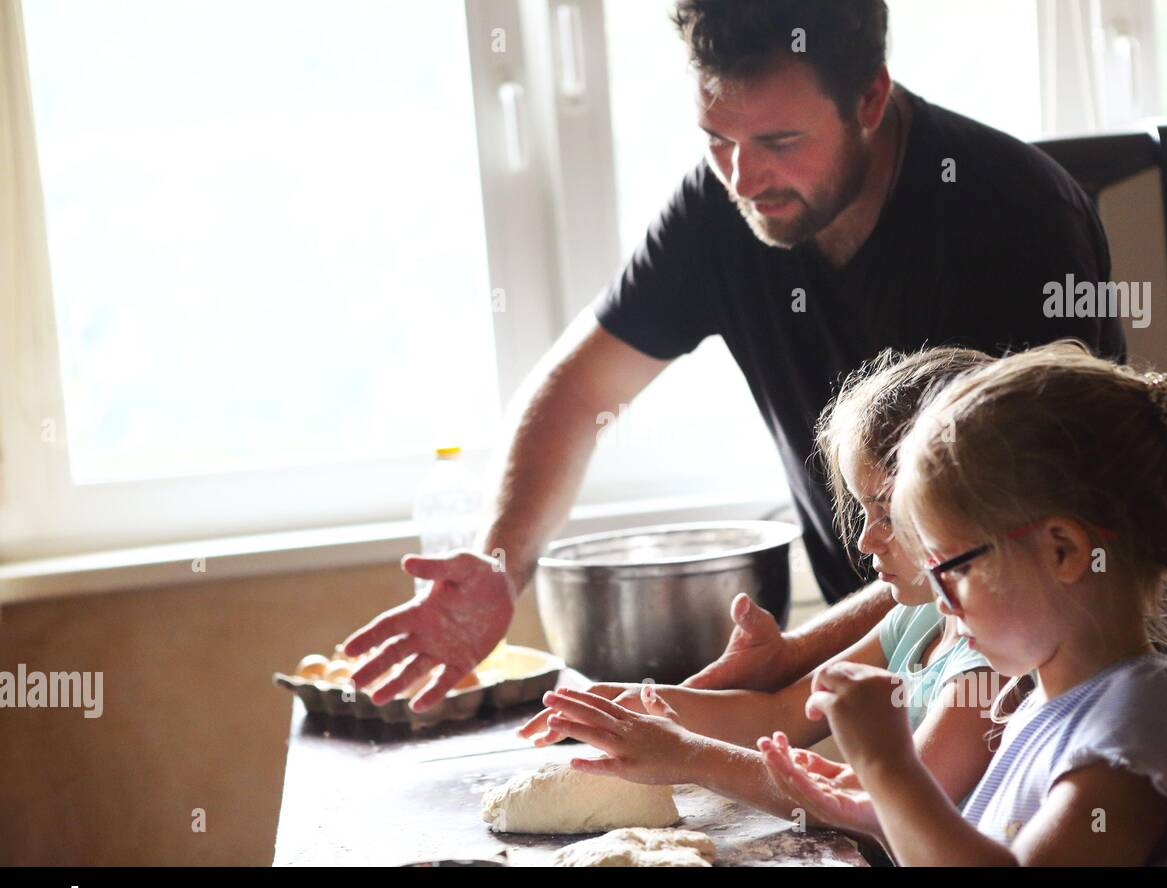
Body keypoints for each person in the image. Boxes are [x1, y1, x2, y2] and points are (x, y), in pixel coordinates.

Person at [342, 0, 1124, 711]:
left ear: (871, 100)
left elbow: (1012, 536)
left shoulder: (1013, 217)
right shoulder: (720, 213)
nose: (745, 178)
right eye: (718, 140)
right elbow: (579, 393)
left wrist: (789, 665)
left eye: (781, 141)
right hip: (912, 656)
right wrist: (497, 565)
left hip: (1061, 666)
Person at [763, 341, 1167, 865]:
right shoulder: (1040, 705)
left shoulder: (1142, 720)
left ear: (1063, 551)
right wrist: (872, 804)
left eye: (953, 568)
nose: (941, 603)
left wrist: (888, 767)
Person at [517, 347, 1004, 850]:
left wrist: (688, 756)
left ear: (968, 503)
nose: (864, 541)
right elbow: (778, 715)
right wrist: (639, 710)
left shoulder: (991, 665)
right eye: (862, 512)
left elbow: (885, 809)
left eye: (889, 514)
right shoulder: (918, 617)